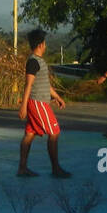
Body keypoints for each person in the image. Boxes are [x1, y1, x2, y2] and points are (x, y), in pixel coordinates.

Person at [18, 28, 69, 178]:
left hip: (39, 101)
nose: (46, 46)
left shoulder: (39, 61)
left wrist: (57, 97)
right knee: (54, 132)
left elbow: (46, 85)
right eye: (45, 43)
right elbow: (29, 85)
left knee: (29, 134)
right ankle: (56, 168)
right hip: (38, 103)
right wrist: (23, 106)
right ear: (41, 44)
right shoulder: (33, 61)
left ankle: (22, 168)